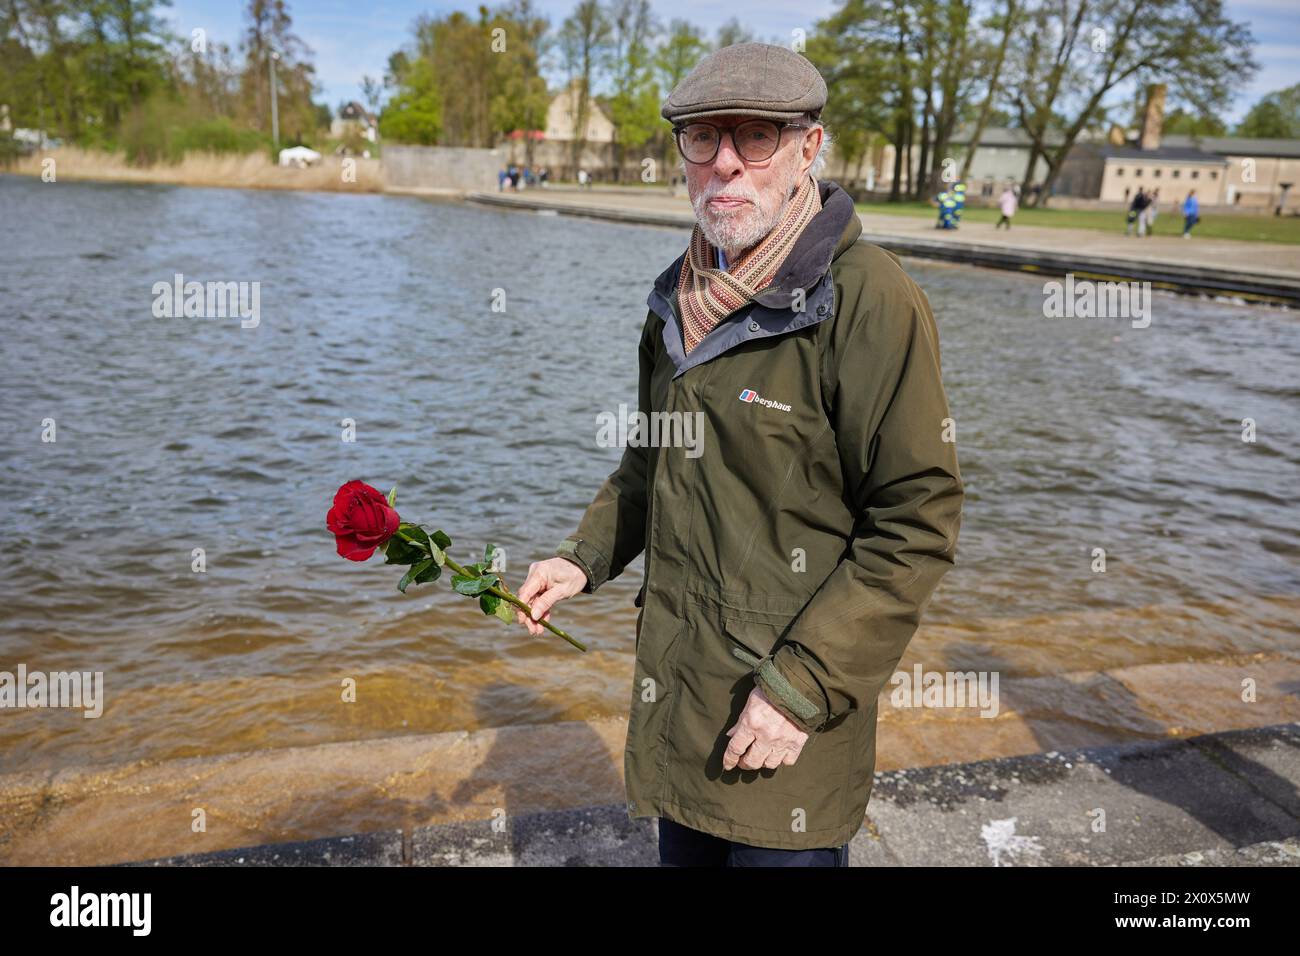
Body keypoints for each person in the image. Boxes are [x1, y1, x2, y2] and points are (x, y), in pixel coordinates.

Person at [513, 42, 963, 867]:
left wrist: (798, 690)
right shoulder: (672, 303)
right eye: (702, 138)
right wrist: (584, 559)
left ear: (808, 149)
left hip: (790, 721)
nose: (725, 164)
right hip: (681, 697)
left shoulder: (868, 299)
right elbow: (650, 464)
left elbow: (915, 521)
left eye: (755, 137)